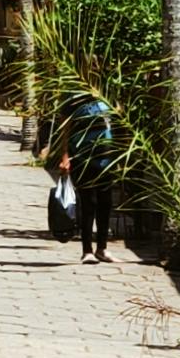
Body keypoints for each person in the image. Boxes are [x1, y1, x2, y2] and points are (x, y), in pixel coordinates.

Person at [47, 81, 120, 262]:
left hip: (106, 156)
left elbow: (117, 120)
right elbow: (65, 128)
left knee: (106, 202)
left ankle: (102, 248)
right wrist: (65, 155)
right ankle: (87, 250)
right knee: (88, 202)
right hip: (82, 156)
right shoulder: (73, 95)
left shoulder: (106, 90)